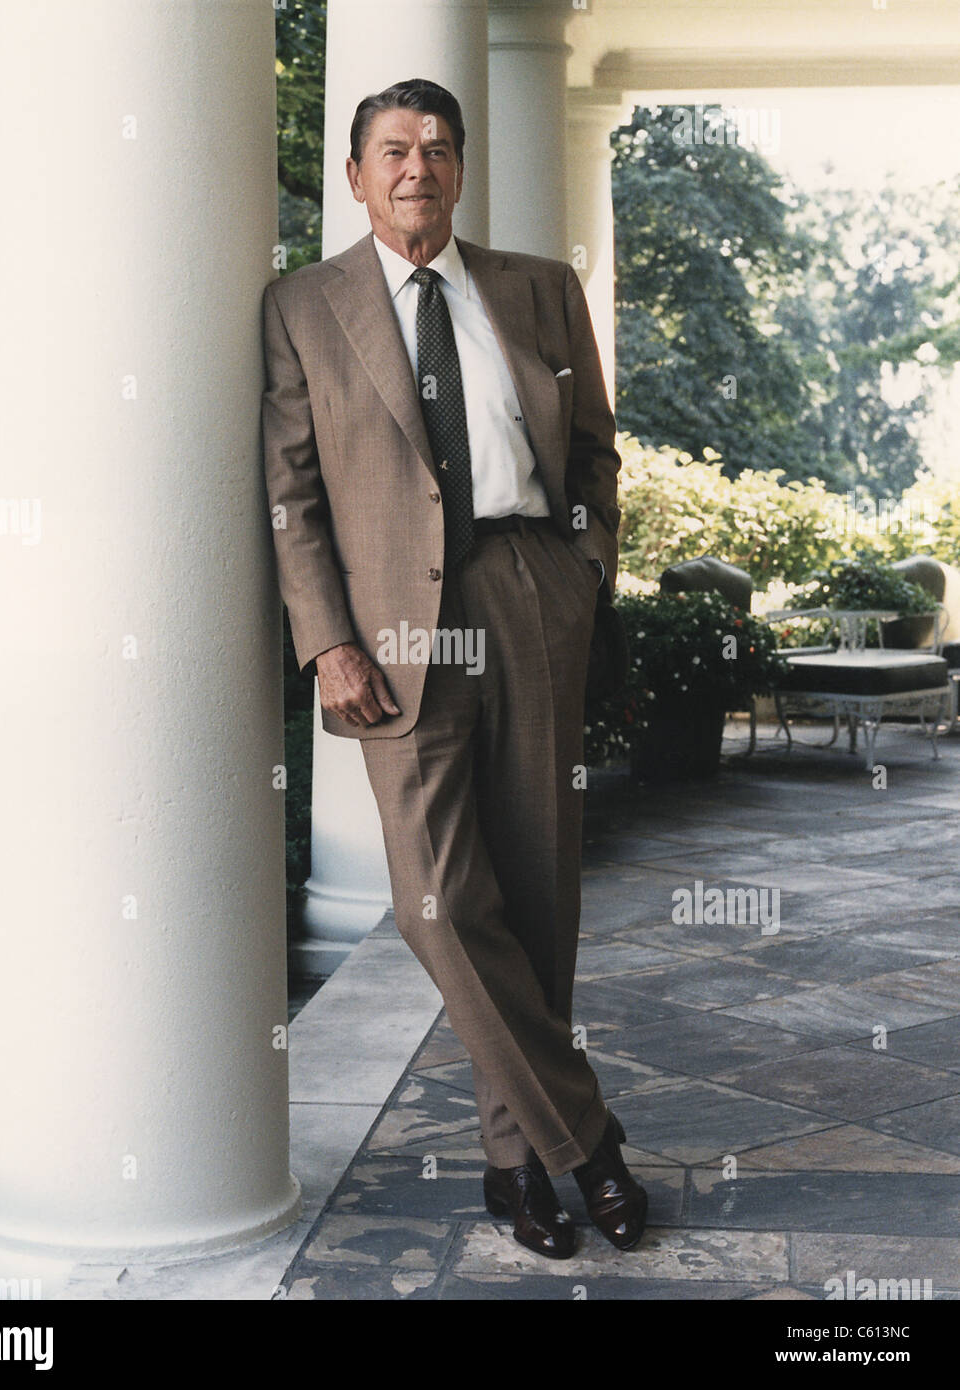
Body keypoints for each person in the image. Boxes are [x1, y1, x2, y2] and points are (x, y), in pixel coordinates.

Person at [262, 77, 647, 1259]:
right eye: (392, 149)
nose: (416, 166)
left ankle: (513, 1168)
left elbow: (593, 452)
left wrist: (582, 573)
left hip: (530, 591)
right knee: (436, 900)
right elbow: (290, 491)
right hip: (388, 636)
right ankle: (589, 1142)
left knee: (534, 901)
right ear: (354, 175)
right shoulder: (301, 305)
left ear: (461, 168)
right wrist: (325, 637)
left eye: (436, 147)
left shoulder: (537, 287)